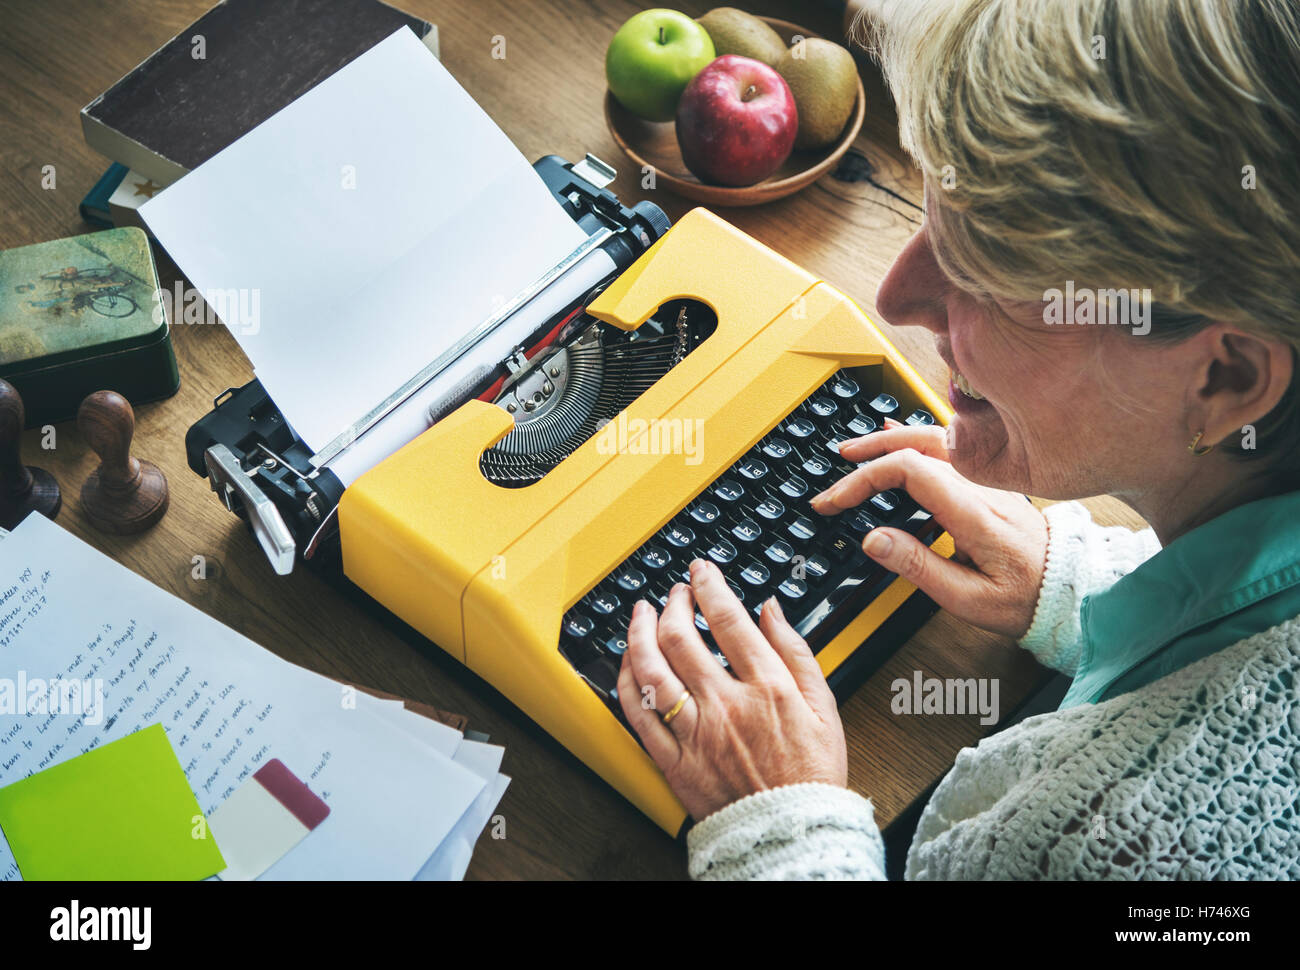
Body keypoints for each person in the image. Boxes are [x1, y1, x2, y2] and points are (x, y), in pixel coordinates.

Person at [616, 0, 1300, 879]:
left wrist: (779, 834)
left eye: (987, 270)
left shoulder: (1121, 847)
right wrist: (1091, 596)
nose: (896, 298)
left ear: (1229, 379)